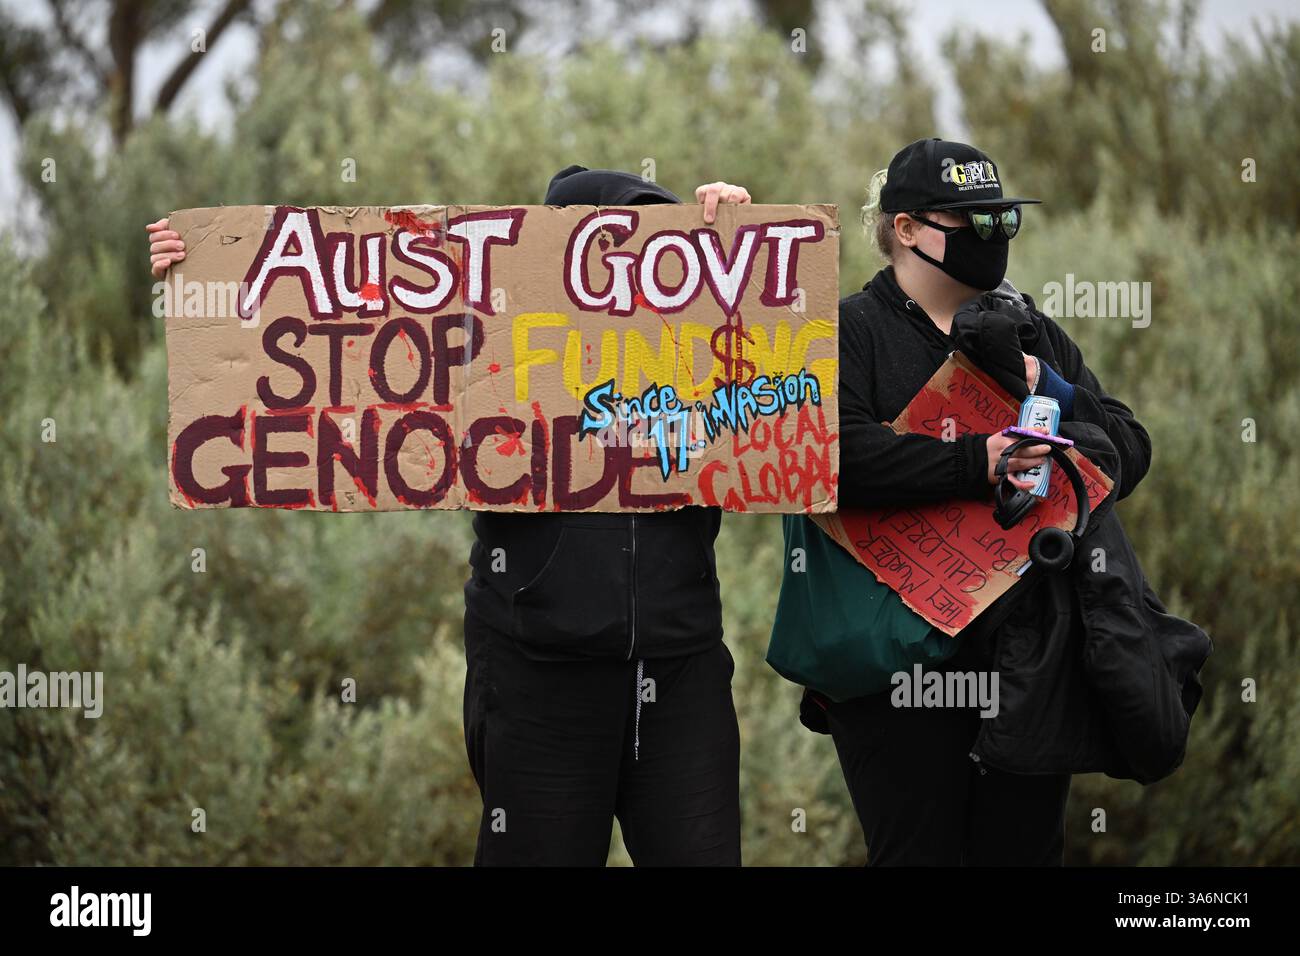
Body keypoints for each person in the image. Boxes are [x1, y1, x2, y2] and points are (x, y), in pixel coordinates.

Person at [146, 172, 754, 866]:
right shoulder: (489, 342)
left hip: (682, 673)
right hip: (538, 672)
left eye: (657, 247)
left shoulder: (701, 347)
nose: (635, 268)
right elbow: (311, 347)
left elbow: (785, 338)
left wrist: (740, 236)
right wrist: (198, 278)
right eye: (615, 247)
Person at [794, 137, 1153, 866]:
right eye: (972, 223)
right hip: (895, 665)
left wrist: (1043, 383)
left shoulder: (1028, 327)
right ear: (905, 228)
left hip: (1026, 660)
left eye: (1004, 222)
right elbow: (830, 454)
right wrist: (975, 462)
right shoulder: (848, 329)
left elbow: (1128, 448)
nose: (993, 239)